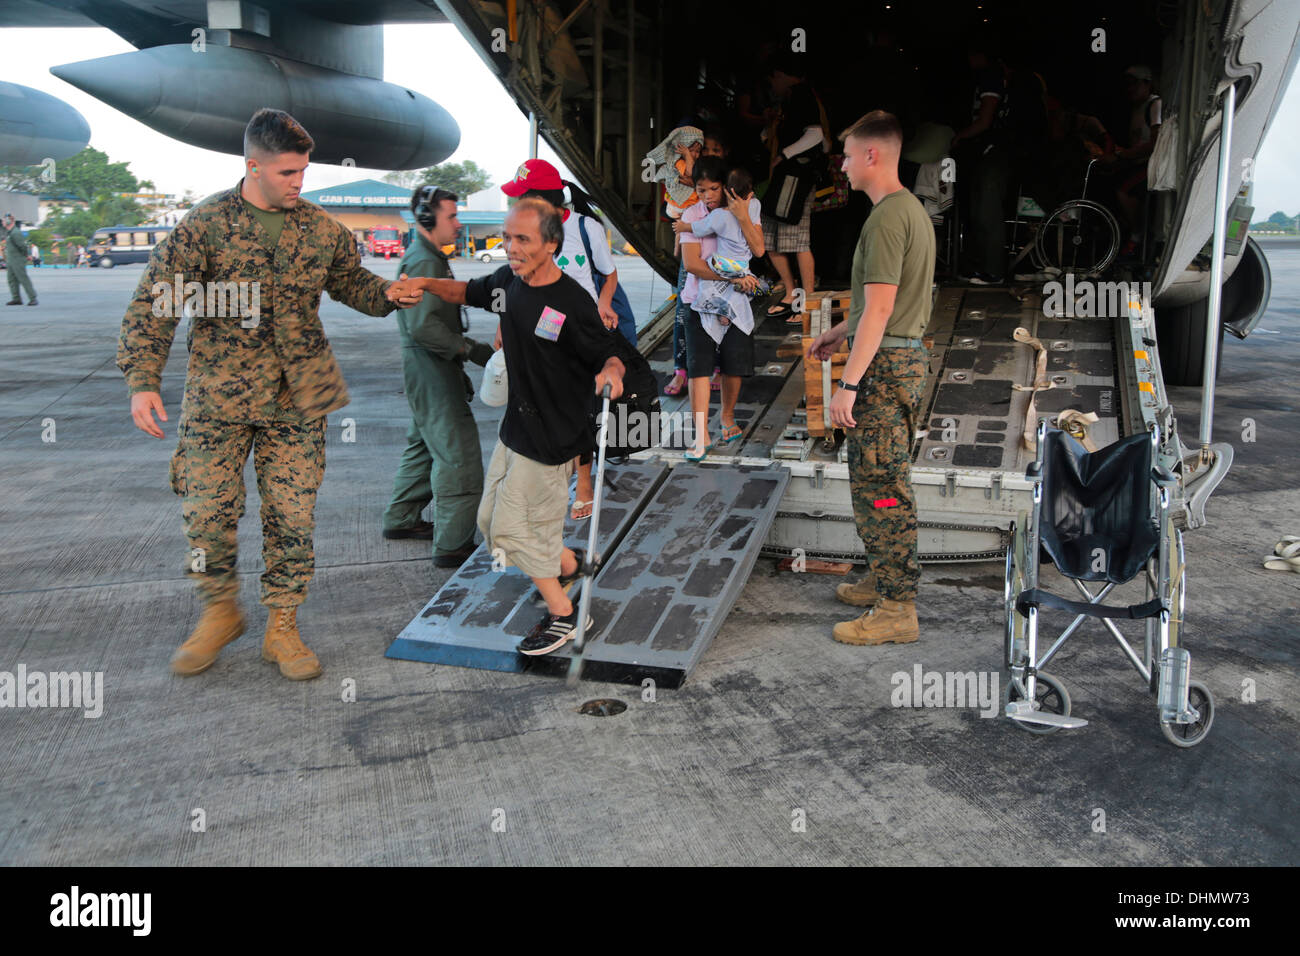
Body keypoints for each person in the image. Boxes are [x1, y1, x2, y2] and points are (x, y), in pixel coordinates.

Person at [118, 107, 422, 681]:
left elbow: (352, 283)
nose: (298, 182)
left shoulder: (319, 228)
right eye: (287, 173)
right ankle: (219, 611)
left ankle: (282, 625)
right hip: (219, 396)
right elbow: (156, 303)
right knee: (206, 512)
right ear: (253, 167)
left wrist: (391, 294)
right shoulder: (204, 225)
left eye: (303, 171)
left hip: (300, 394)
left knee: (292, 516)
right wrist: (142, 381)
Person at [388, 199, 625, 656]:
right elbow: (466, 291)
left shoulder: (571, 302)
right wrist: (423, 282)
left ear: (551, 244)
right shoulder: (509, 283)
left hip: (554, 437)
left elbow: (609, 353)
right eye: (507, 237)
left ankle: (567, 615)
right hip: (516, 428)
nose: (510, 248)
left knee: (514, 530)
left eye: (522, 240)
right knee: (489, 522)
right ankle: (568, 563)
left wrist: (611, 372)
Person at [806, 111, 935, 646]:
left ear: (872, 156)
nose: (842, 163)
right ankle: (885, 579)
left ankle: (897, 607)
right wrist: (840, 330)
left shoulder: (885, 219)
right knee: (879, 480)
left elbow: (882, 311)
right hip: (898, 359)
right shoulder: (907, 212)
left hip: (883, 371)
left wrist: (849, 384)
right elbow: (881, 303)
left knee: (882, 488)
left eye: (848, 154)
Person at [502, 158, 628, 521]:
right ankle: (550, 475)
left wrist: (603, 303)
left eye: (522, 197)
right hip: (542, 331)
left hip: (581, 330)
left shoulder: (586, 228)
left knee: (579, 407)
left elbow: (609, 274)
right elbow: (517, 280)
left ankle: (584, 482)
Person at [381, 185, 495, 566]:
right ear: (428, 220)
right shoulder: (426, 263)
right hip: (431, 366)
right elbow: (422, 328)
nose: (459, 224)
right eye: (452, 216)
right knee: (458, 455)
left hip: (425, 368)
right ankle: (452, 544)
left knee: (424, 445)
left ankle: (401, 518)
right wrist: (472, 350)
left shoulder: (426, 256)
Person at [678, 157, 765, 460]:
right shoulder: (692, 215)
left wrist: (741, 216)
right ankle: (701, 433)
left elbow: (759, 249)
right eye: (701, 190)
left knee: (734, 364)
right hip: (698, 301)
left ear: (726, 187)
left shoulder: (747, 209)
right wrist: (735, 276)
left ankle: (727, 418)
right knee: (699, 367)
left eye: (713, 189)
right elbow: (691, 264)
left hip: (736, 301)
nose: (707, 196)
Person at [950, 39, 1047, 284]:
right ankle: (983, 267)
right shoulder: (1018, 80)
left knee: (986, 207)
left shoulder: (992, 77)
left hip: (999, 151)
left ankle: (992, 270)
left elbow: (985, 119)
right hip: (1005, 152)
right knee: (983, 205)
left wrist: (961, 135)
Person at [760, 55, 829, 321]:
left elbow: (817, 135)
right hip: (786, 177)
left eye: (773, 79)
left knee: (798, 239)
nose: (772, 86)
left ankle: (806, 301)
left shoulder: (802, 95)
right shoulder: (789, 99)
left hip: (797, 176)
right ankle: (792, 294)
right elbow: (767, 137)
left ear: (781, 74)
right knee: (770, 234)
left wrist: (784, 155)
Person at [3, 214, 38, 306]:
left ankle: (33, 298)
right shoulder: (9, 233)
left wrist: (26, 255)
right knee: (11, 279)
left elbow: (22, 246)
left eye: (4, 220)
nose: (2, 222)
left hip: (17, 260)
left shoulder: (15, 232)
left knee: (23, 279)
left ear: (8, 221)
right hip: (11, 260)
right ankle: (16, 298)